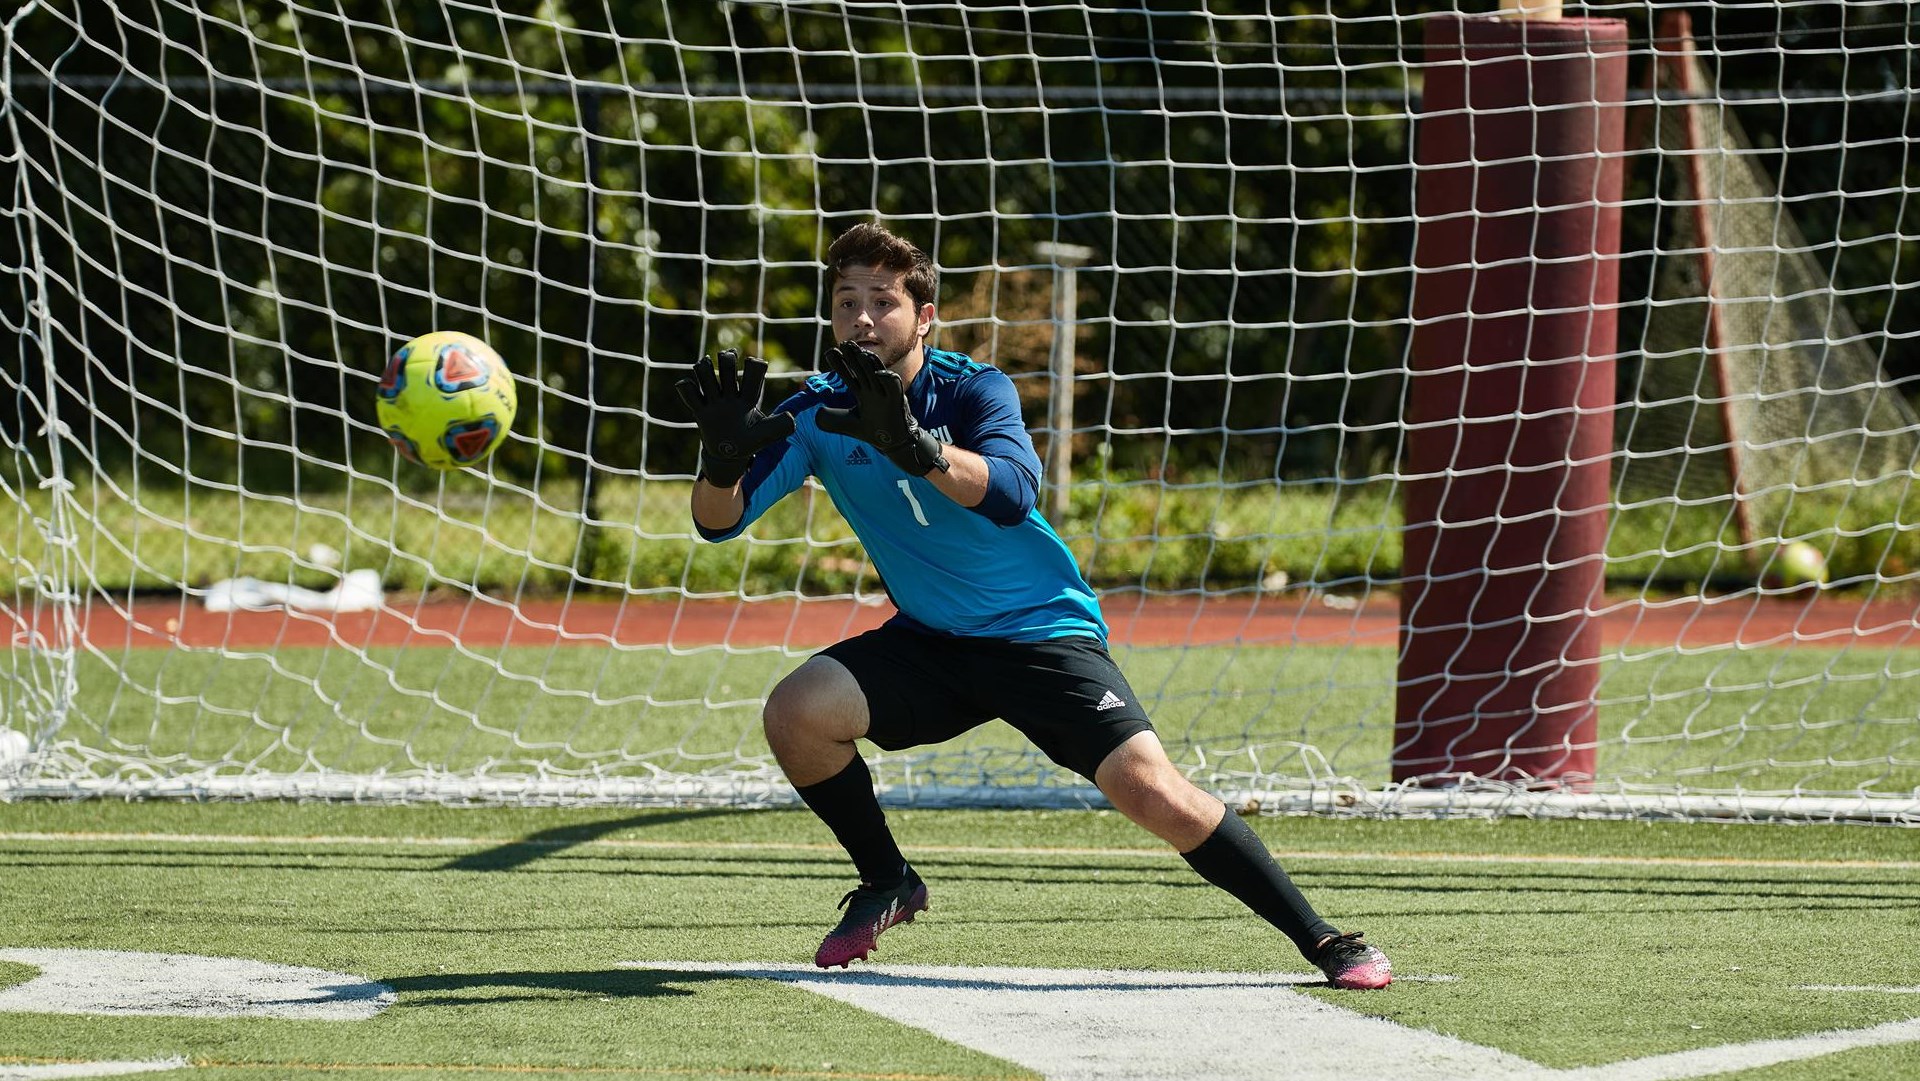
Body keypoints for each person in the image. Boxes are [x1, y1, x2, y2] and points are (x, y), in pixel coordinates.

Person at [676, 221, 1391, 989]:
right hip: (932, 642)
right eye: (846, 300)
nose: (863, 317)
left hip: (1040, 632)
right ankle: (889, 880)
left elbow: (1014, 493)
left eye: (883, 300)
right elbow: (718, 523)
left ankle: (1324, 938)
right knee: (796, 712)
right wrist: (721, 460)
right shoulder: (817, 411)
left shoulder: (974, 388)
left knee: (1152, 791)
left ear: (924, 317)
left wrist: (915, 444)